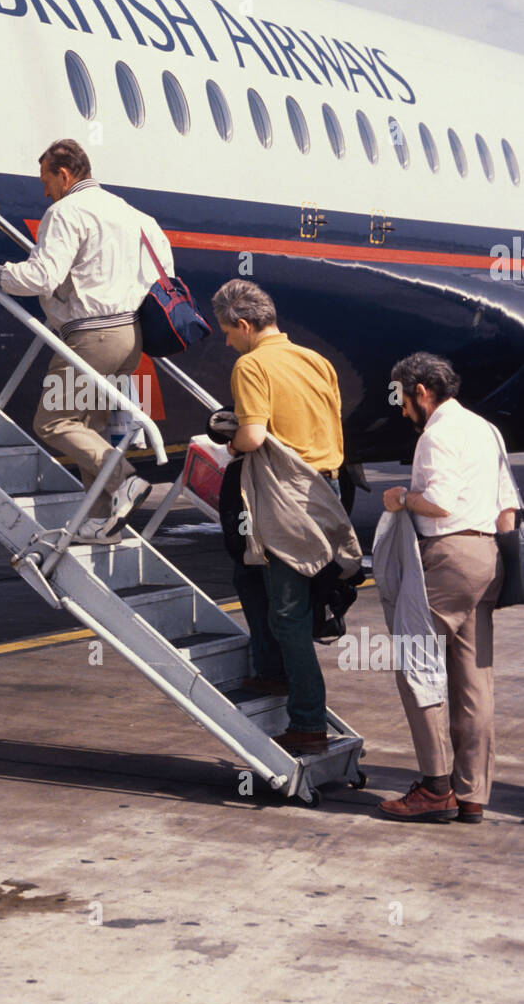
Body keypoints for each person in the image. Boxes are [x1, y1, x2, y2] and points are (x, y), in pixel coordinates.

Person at [0, 139, 173, 542]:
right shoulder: (134, 214)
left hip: (91, 337)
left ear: (64, 174)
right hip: (131, 337)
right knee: (88, 429)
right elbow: (163, 271)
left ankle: (126, 480)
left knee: (54, 421)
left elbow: (42, 277)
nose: (44, 190)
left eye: (46, 180)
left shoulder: (65, 211)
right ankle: (100, 524)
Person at [212, 279, 349, 754]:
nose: (226, 341)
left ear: (245, 325)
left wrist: (227, 444)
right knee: (254, 577)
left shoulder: (251, 365)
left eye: (228, 332)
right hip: (326, 487)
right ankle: (271, 669)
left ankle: (308, 723)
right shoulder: (316, 360)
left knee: (288, 612)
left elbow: (251, 437)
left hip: (286, 492)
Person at [379, 352, 517, 824]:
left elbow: (437, 502)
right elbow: (507, 511)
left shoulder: (436, 435)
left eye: (402, 399)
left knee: (413, 661)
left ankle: (436, 786)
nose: (401, 411)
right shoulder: (485, 429)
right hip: (487, 559)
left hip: (447, 558)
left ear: (422, 391)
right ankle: (472, 793)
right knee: (473, 678)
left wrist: (400, 497)